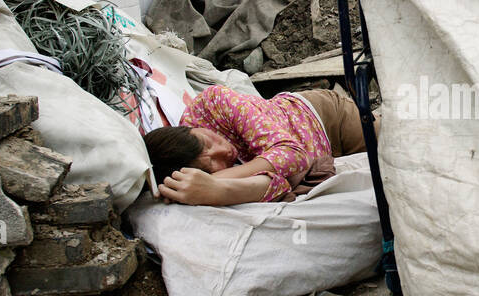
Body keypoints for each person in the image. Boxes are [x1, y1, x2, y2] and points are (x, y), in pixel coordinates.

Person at [144, 86, 369, 206]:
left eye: (206, 141)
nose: (223, 151)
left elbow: (293, 155)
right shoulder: (197, 187)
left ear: (188, 129)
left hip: (325, 119)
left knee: (398, 147)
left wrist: (215, 180)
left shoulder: (212, 104)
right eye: (213, 164)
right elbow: (279, 186)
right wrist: (214, 190)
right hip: (324, 159)